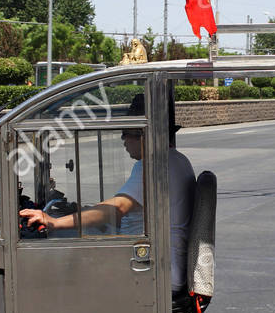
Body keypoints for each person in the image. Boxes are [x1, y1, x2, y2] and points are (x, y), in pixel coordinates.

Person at [19, 93, 197, 291]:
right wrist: (81, 212)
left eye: (125, 133)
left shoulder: (154, 164)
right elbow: (129, 211)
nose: (123, 140)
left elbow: (117, 208)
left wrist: (55, 221)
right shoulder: (176, 160)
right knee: (77, 233)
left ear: (143, 134)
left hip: (151, 268)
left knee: (55, 253)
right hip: (155, 259)